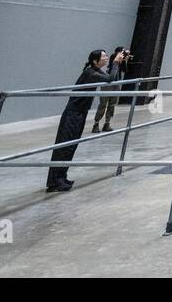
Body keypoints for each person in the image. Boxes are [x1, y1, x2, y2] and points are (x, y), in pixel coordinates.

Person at [47, 48, 126, 192]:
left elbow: (110, 77)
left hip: (80, 113)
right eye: (104, 56)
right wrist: (115, 62)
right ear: (95, 61)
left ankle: (61, 176)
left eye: (107, 56)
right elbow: (111, 79)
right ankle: (55, 181)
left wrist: (117, 63)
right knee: (64, 146)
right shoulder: (90, 73)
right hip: (73, 114)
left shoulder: (96, 71)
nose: (106, 57)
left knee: (71, 145)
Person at [90, 44, 126, 134]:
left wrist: (124, 61)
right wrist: (117, 60)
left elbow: (125, 70)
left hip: (116, 84)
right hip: (107, 85)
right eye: (122, 51)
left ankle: (107, 123)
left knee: (112, 104)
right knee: (103, 104)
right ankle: (96, 123)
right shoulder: (113, 58)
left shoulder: (119, 61)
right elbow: (111, 74)